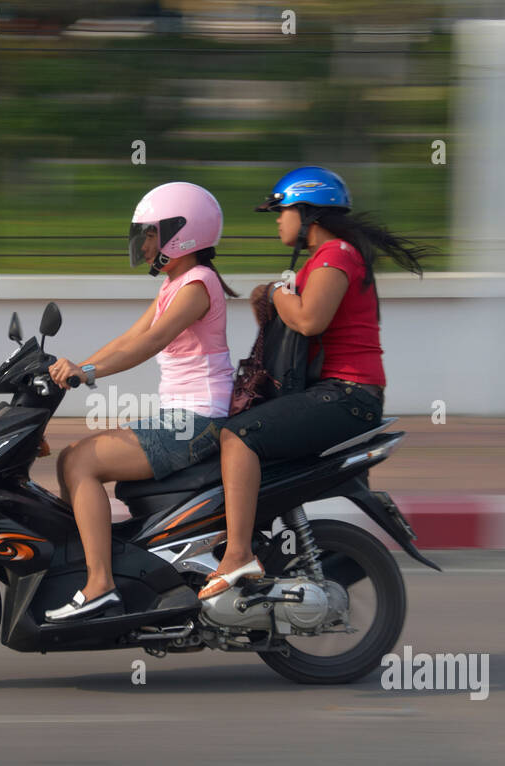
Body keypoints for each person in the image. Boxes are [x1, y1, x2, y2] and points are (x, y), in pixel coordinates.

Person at [198, 166, 427, 600]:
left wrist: (278, 292)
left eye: (281, 211)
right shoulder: (323, 260)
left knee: (237, 437)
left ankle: (239, 555)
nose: (277, 221)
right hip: (332, 393)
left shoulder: (336, 254)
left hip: (347, 396)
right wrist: (273, 298)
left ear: (309, 214)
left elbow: (308, 319)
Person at [46, 181, 238, 621]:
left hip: (197, 419)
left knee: (80, 462)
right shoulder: (174, 285)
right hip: (180, 415)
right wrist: (73, 370)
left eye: (152, 233)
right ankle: (88, 566)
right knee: (69, 458)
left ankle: (100, 586)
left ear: (182, 233)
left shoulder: (198, 284)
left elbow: (151, 342)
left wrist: (88, 372)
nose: (145, 243)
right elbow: (129, 337)